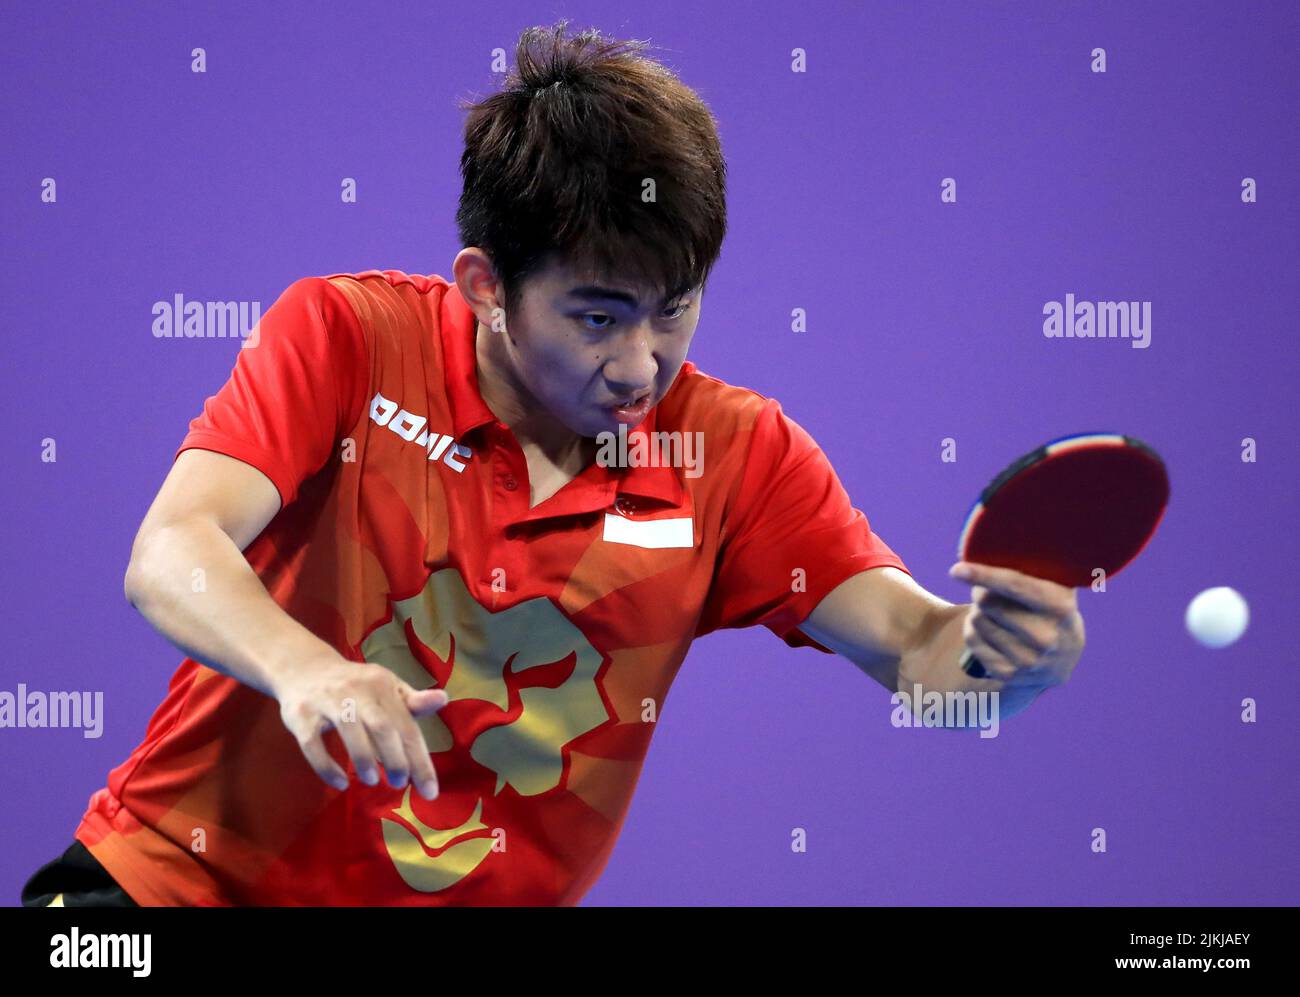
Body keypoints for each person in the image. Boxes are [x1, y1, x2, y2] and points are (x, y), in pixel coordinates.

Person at [23, 21, 1084, 907]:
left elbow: (917, 655)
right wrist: (308, 668)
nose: (640, 366)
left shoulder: (732, 456)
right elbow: (170, 551)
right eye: (596, 316)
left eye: (673, 313)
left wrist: (1005, 663)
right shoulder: (346, 340)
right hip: (169, 891)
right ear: (485, 283)